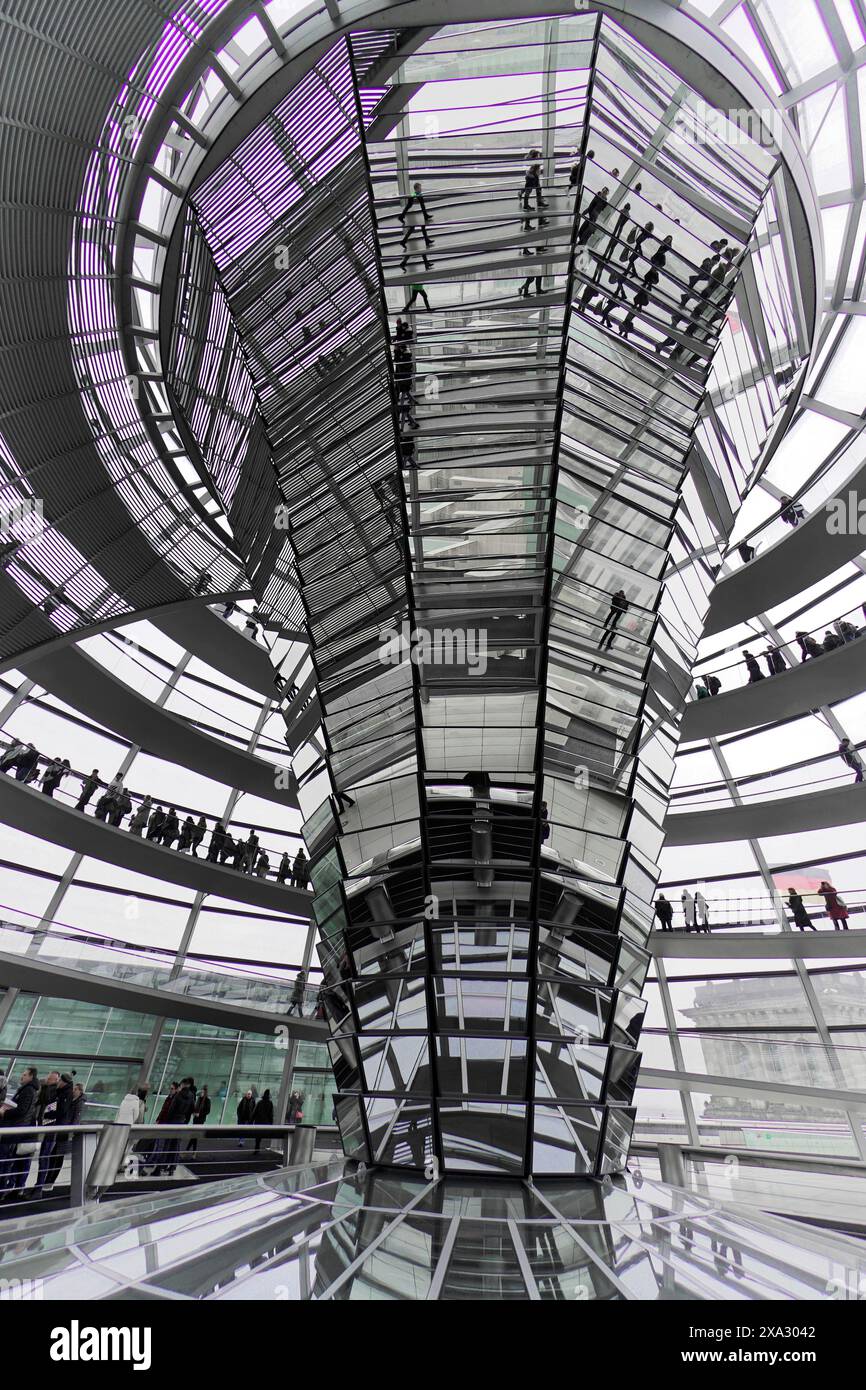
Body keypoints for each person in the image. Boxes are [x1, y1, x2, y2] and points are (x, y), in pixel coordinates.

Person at [34, 1071, 76, 1195]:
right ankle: (42, 1184)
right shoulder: (61, 1092)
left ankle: (42, 1185)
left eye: (58, 1081)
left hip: (56, 1130)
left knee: (49, 1156)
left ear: (63, 1081)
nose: (57, 1083)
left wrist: (47, 1114)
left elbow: (62, 1111)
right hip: (55, 1129)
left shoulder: (65, 1094)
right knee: (48, 1156)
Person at [0, 1065, 38, 1196]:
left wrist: (5, 1112)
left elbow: (22, 1110)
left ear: (31, 1076)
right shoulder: (28, 1090)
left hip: (14, 1129)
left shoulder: (28, 1091)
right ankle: (5, 1188)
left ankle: (2, 1189)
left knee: (6, 1161)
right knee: (7, 1161)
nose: (22, 1076)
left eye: (25, 1074)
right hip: (15, 1128)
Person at [399, 181, 434, 247]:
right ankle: (404, 241)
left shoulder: (416, 194)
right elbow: (412, 203)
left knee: (418, 227)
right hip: (414, 219)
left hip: (416, 218)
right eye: (420, 188)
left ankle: (426, 240)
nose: (421, 189)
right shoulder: (414, 194)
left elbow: (420, 203)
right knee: (414, 228)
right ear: (417, 189)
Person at [599, 588, 628, 653]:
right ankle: (606, 624)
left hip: (619, 609)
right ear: (619, 592)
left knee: (616, 619)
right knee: (610, 615)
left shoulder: (623, 597)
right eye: (621, 593)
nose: (621, 594)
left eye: (622, 593)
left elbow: (625, 603)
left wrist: (624, 608)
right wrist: (619, 602)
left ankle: (613, 625)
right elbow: (613, 599)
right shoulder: (616, 594)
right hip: (615, 607)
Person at [186, 1084, 211, 1154]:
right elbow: (196, 1108)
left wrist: (200, 1114)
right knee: (194, 1136)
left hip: (201, 1120)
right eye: (201, 1092)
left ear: (205, 1093)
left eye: (202, 1092)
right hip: (196, 1119)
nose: (201, 1094)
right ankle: (193, 1152)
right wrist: (194, 1113)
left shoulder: (207, 1100)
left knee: (194, 1136)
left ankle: (188, 1151)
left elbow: (208, 1111)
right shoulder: (199, 1099)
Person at [252, 1088, 274, 1152]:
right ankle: (258, 1147)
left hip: (258, 1121)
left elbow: (255, 1112)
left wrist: (251, 1120)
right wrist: (271, 1122)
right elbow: (271, 1114)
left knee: (258, 1136)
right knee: (262, 1135)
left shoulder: (260, 1102)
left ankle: (257, 1147)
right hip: (265, 1122)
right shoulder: (270, 1103)